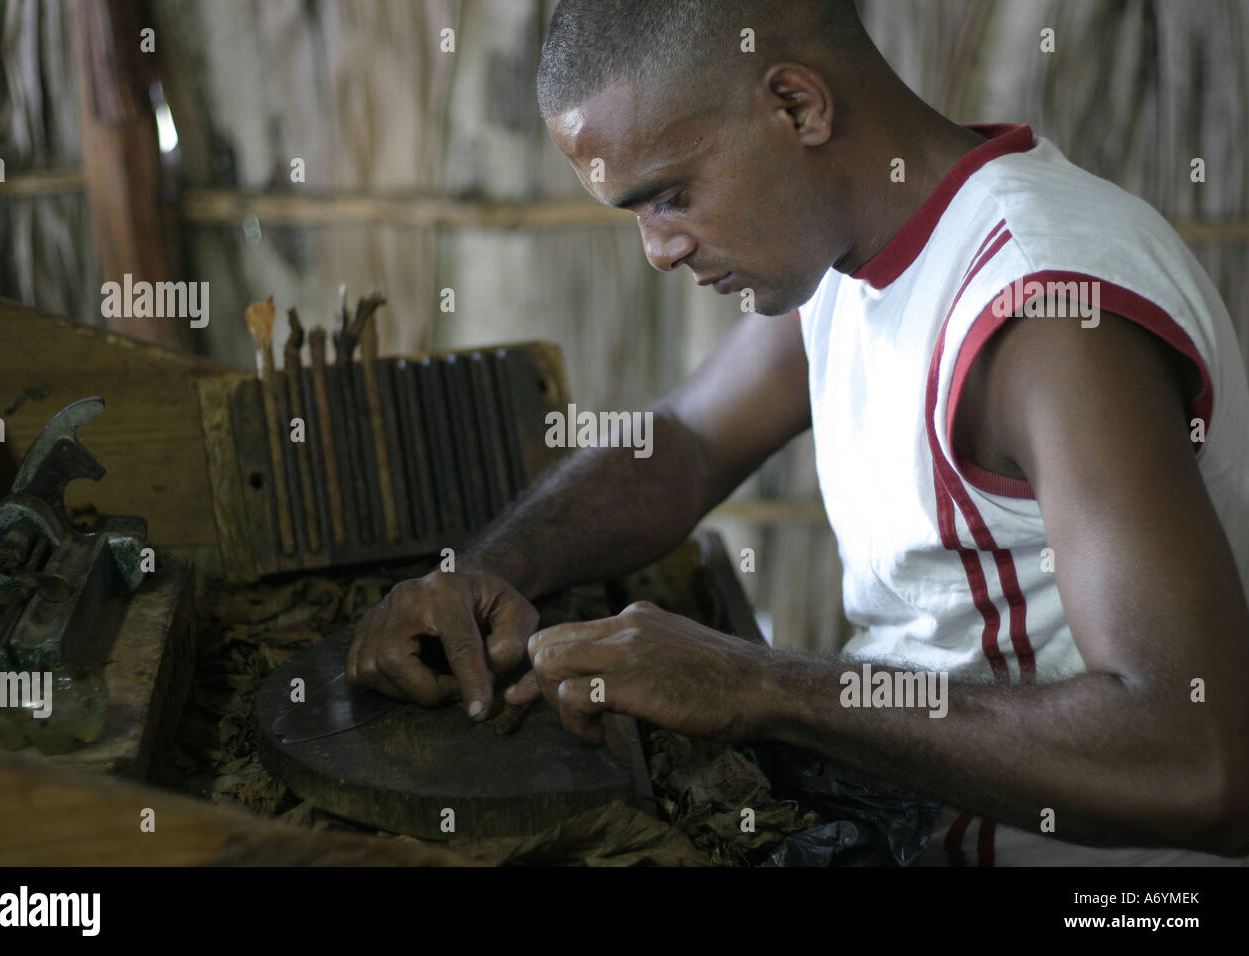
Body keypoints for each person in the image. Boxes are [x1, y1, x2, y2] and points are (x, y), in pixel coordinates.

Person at [349, 0, 1249, 865]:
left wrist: (761, 686)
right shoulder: (853, 245)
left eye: (668, 196)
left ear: (796, 105)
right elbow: (689, 440)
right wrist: (485, 568)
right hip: (906, 826)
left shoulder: (1045, 319)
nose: (657, 249)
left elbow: (1199, 759)